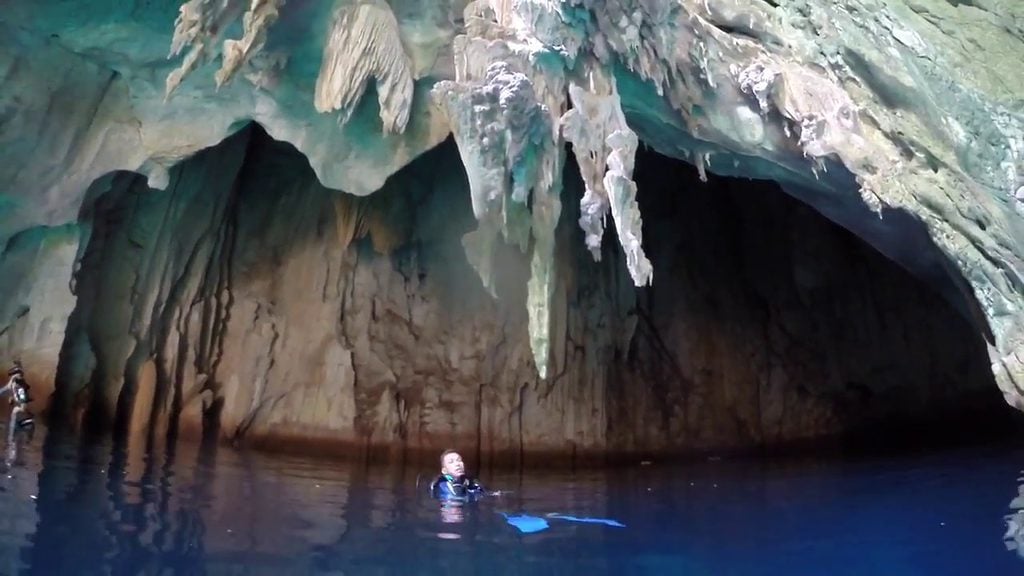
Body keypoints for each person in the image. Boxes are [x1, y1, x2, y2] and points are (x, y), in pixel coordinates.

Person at [0, 362, 34, 436]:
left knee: (13, 434)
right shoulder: (13, 383)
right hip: (17, 411)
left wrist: (18, 409)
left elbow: (23, 405)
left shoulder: (20, 387)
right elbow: (5, 390)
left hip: (20, 413)